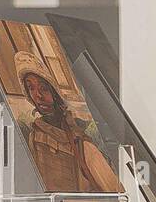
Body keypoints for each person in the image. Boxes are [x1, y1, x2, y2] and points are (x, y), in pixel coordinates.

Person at [13, 51, 118, 193]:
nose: (38, 95)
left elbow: (113, 190)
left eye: (43, 88)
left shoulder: (82, 141)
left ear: (54, 93)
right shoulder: (34, 136)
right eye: (31, 88)